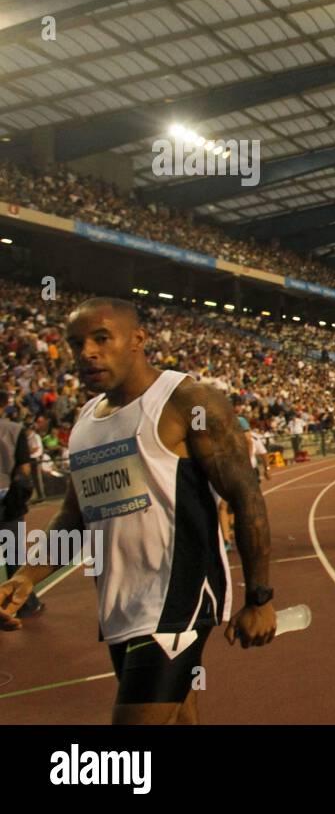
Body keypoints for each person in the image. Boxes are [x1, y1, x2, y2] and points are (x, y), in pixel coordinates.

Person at [0, 298, 277, 724]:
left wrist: (259, 598)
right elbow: (75, 516)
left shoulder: (187, 401)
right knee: (180, 718)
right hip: (120, 606)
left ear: (138, 340)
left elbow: (246, 496)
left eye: (101, 338)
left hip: (178, 599)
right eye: (76, 344)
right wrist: (25, 576)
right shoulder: (87, 419)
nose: (87, 352)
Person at [0, 393, 42, 623]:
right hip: (8, 501)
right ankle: (26, 604)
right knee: (15, 555)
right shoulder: (14, 430)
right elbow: (24, 468)